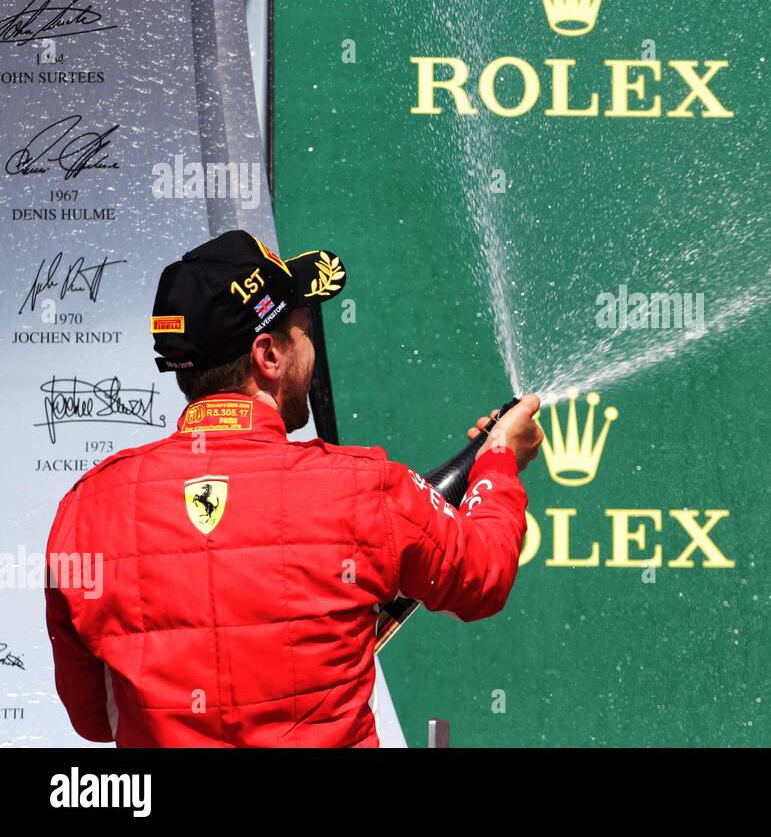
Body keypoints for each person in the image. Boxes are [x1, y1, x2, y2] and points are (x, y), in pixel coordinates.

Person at [44, 230, 543, 747]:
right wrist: (499, 460)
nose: (310, 347)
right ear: (269, 355)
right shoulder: (363, 487)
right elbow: (483, 575)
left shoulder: (86, 509)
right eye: (304, 331)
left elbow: (95, 719)